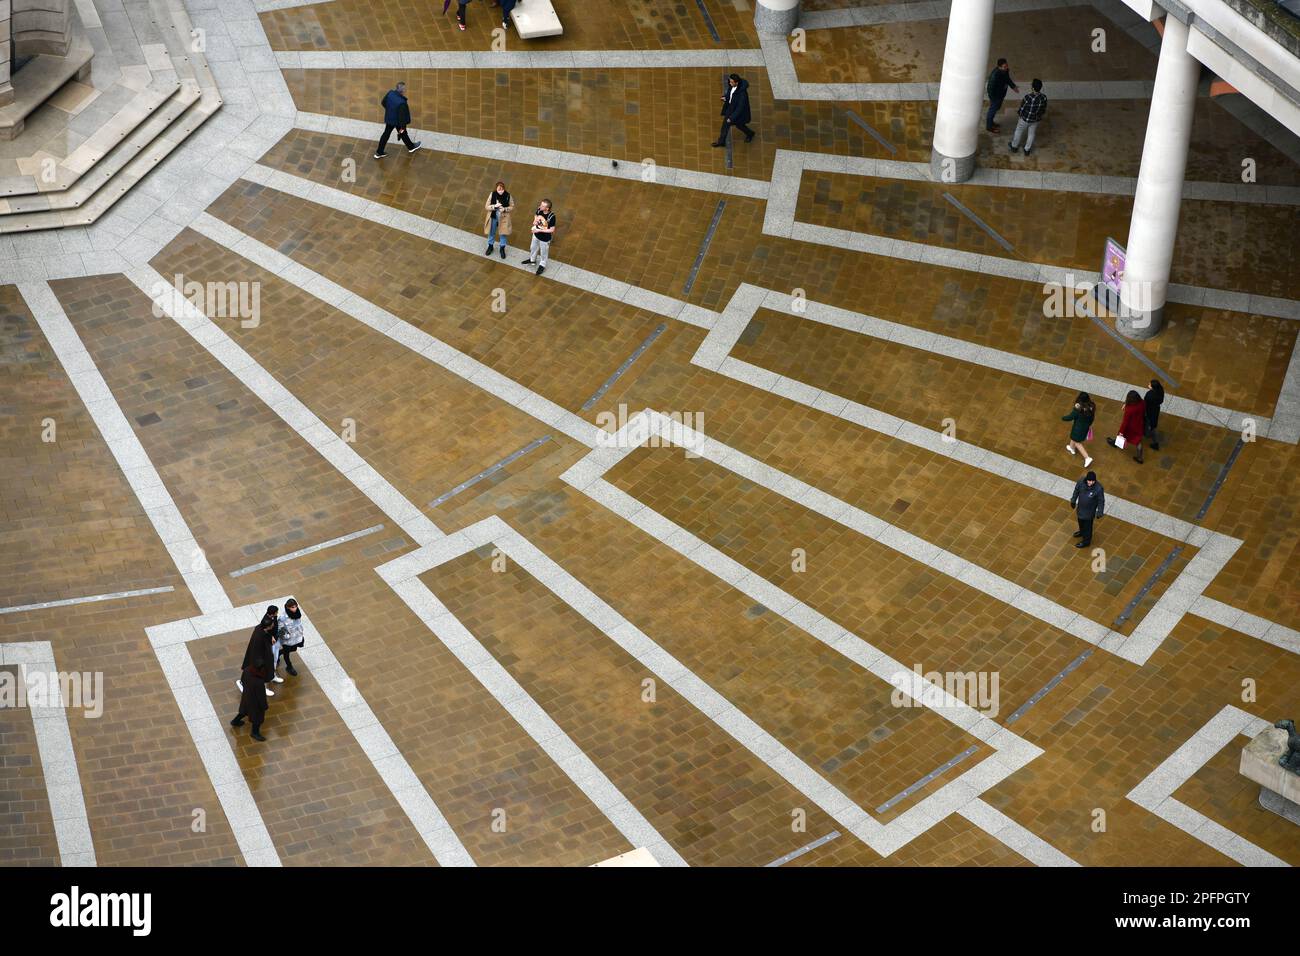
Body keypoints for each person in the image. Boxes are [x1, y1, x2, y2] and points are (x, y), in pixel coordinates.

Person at [231, 612, 277, 741]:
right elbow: (261, 697)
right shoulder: (258, 682)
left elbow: (244, 682)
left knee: (244, 710)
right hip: (255, 703)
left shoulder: (247, 671)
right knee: (257, 718)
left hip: (247, 696)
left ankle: (235, 721)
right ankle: (254, 733)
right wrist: (265, 706)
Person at [236, 607, 279, 698]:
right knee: (259, 674)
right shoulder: (260, 637)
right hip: (260, 660)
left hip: (260, 658)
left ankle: (245, 682)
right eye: (271, 625)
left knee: (254, 671)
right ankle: (259, 687)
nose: (272, 626)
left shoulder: (260, 629)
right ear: (267, 627)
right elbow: (258, 650)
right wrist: (261, 662)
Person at [374, 81, 422, 159]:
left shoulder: (390, 93)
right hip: (397, 122)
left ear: (396, 88)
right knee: (403, 133)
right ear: (403, 91)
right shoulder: (402, 103)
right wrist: (402, 128)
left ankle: (379, 152)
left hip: (389, 119)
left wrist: (390, 110)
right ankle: (411, 147)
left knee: (386, 134)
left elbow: (383, 102)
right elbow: (402, 119)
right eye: (404, 89)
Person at [712, 73, 754, 148]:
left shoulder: (742, 94)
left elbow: (740, 108)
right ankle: (721, 142)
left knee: (740, 126)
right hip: (731, 109)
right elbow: (730, 95)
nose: (730, 83)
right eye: (730, 81)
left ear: (736, 82)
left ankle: (750, 134)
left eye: (731, 82)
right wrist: (726, 98)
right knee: (725, 126)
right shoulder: (732, 86)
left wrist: (731, 118)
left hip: (738, 114)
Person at [1009, 79, 1047, 155]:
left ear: (1032, 88)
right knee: (1031, 134)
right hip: (1035, 120)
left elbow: (1022, 109)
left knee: (1018, 131)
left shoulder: (1028, 97)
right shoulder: (1044, 97)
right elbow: (1043, 109)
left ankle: (1014, 146)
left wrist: (1020, 115)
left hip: (1025, 119)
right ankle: (1027, 150)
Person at [1107, 390, 1147, 464]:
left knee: (1121, 435)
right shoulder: (1142, 402)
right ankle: (1140, 457)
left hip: (1130, 427)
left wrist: (1121, 432)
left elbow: (1125, 422)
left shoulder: (1129, 409)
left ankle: (1115, 442)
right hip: (1139, 424)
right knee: (1138, 441)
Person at [1070, 471, 1105, 549]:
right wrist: (1073, 500)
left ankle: (1086, 541)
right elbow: (1076, 490)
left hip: (1089, 513)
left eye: (1092, 481)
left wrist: (1100, 512)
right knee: (1081, 523)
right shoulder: (1081, 482)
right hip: (1080, 510)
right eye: (1089, 480)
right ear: (1086, 479)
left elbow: (1101, 501)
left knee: (1088, 527)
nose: (1090, 482)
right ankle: (1082, 532)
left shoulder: (1099, 488)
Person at [522, 199, 556, 275]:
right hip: (536, 234)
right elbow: (536, 215)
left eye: (542, 206)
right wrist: (535, 221)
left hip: (545, 238)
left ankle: (542, 265)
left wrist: (539, 231)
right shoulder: (539, 209)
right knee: (533, 247)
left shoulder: (551, 216)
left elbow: (551, 230)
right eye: (541, 204)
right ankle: (532, 259)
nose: (540, 206)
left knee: (544, 253)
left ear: (547, 208)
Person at [1062, 391, 1095, 467]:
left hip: (1078, 428)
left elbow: (1070, 417)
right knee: (1074, 438)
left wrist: (1063, 418)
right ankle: (1071, 448)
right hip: (1085, 427)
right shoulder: (1092, 406)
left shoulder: (1078, 408)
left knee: (1077, 442)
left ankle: (1087, 457)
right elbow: (1092, 418)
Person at [985, 58, 1019, 133]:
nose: (1006, 68)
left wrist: (1013, 87)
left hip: (1001, 95)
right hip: (996, 97)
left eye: (1006, 65)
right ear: (999, 67)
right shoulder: (995, 76)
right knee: (992, 111)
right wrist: (993, 99)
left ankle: (991, 122)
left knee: (996, 108)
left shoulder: (1005, 70)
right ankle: (989, 126)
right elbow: (990, 89)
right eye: (1004, 66)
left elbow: (1007, 79)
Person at [484, 181, 514, 259]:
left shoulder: (508, 195)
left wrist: (504, 209)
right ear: (496, 189)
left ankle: (502, 249)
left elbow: (512, 206)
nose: (500, 191)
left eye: (502, 189)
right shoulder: (492, 194)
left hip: (503, 218)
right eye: (499, 189)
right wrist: (494, 206)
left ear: (504, 189)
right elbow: (486, 206)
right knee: (491, 232)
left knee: (503, 233)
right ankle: (490, 246)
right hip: (493, 217)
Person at [277, 598, 306, 677]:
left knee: (294, 649)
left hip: (297, 638)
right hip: (288, 641)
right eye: (292, 607)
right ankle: (289, 667)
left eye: (296, 606)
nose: (295, 608)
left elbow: (298, 624)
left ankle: (279, 653)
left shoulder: (298, 613)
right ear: (287, 607)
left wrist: (300, 634)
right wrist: (287, 637)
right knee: (287, 654)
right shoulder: (282, 618)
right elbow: (280, 630)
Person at [1144, 379, 1165, 450]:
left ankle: (1154, 441)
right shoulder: (1160, 390)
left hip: (1149, 411)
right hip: (1155, 409)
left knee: (1149, 423)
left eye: (1149, 385)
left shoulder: (1149, 394)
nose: (1148, 385)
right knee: (1153, 423)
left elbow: (1145, 403)